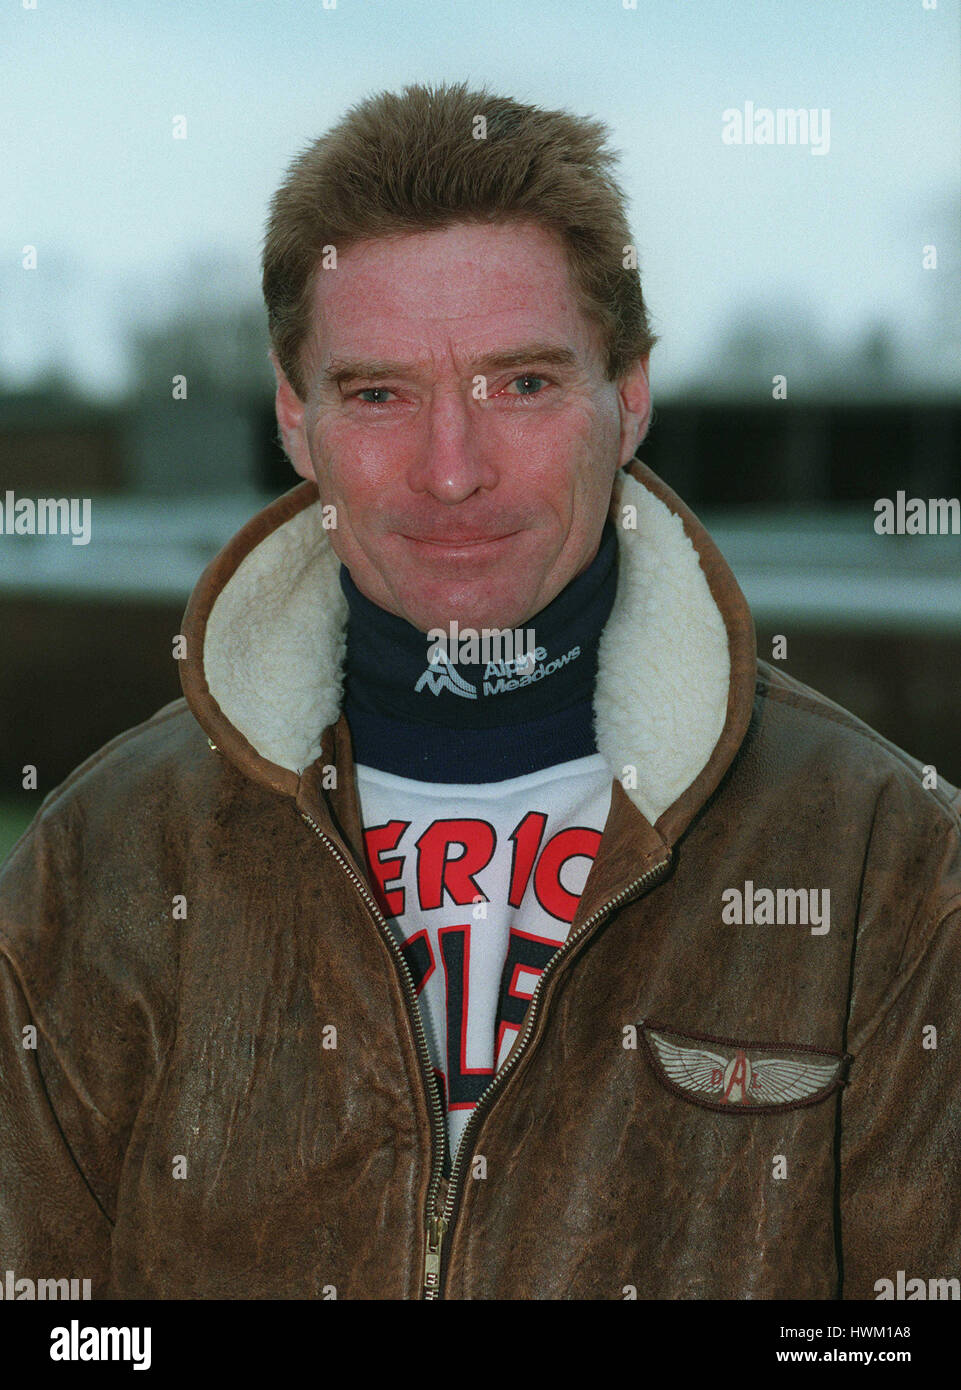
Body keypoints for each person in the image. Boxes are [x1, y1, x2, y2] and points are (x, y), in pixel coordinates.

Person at [1, 81, 959, 1302]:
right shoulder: (104, 860)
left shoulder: (888, 862)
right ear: (296, 418)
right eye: (378, 393)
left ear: (631, 395)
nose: (451, 472)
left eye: (521, 384)